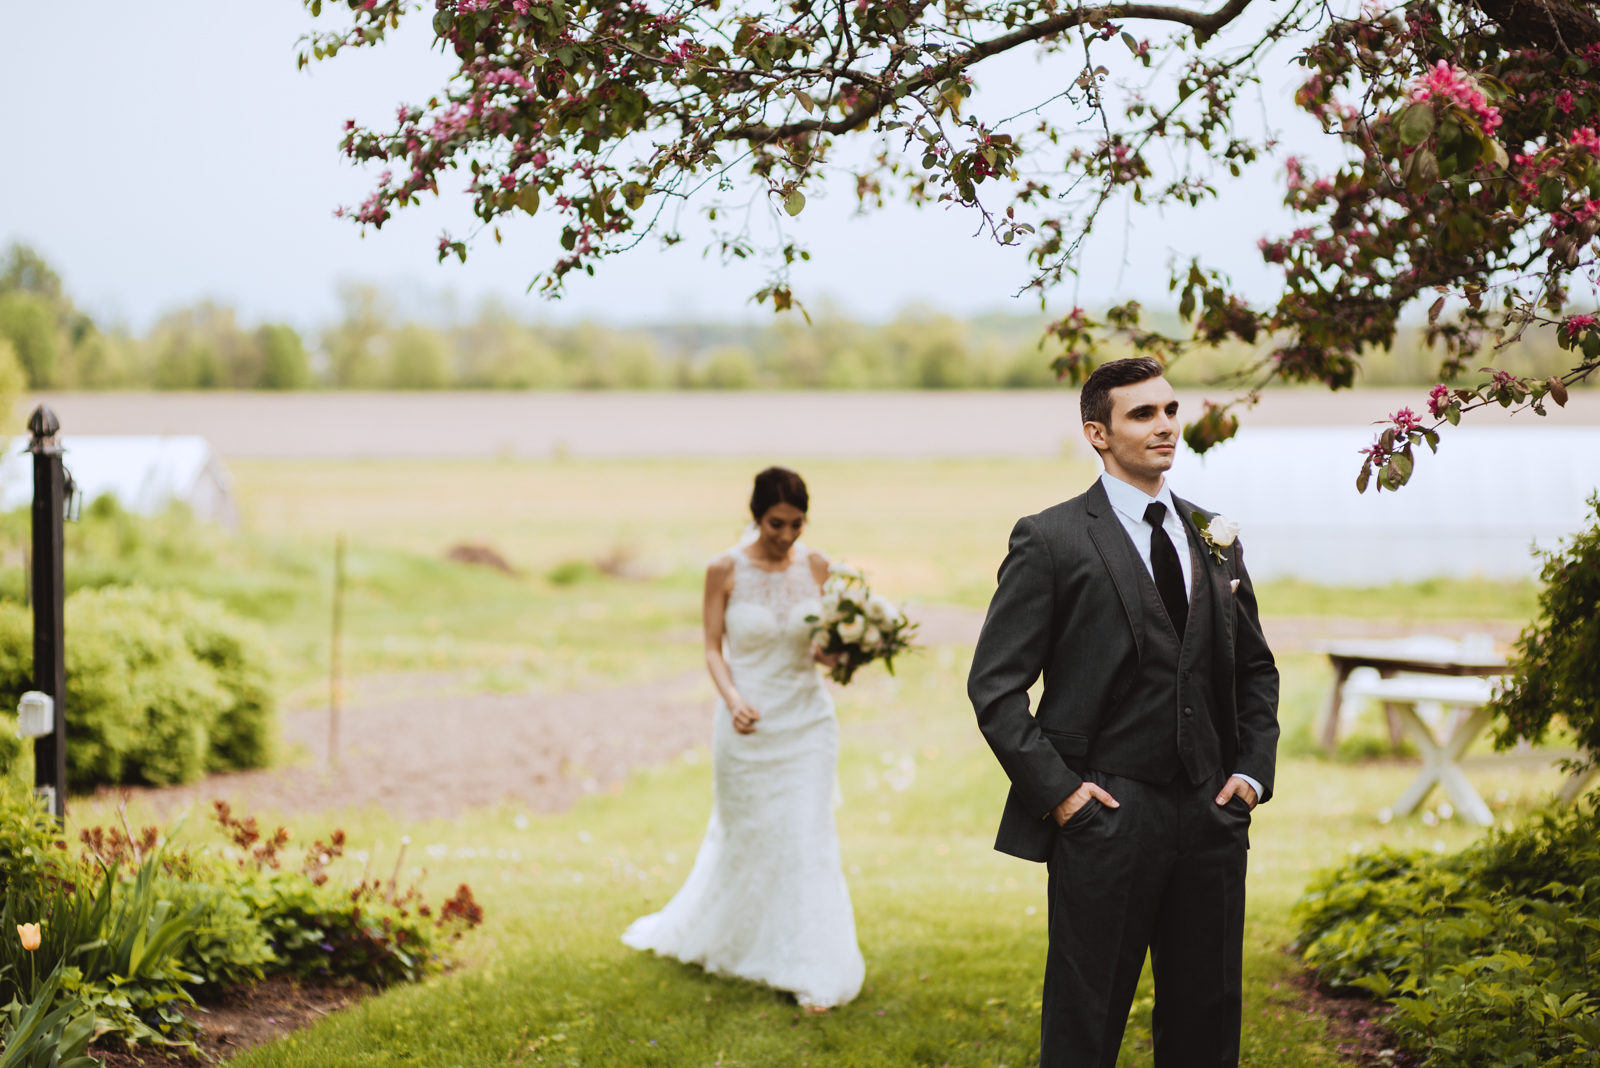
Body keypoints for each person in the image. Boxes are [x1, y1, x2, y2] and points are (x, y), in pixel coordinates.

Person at [968, 357, 1280, 1067]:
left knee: (1208, 1019)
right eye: (1143, 414)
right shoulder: (1050, 539)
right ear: (1097, 434)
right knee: (1086, 1021)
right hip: (1106, 816)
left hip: (1212, 815)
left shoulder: (1213, 531)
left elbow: (1257, 670)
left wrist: (1251, 776)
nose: (1166, 425)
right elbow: (994, 687)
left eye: (1170, 410)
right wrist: (1064, 798)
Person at [622, 466, 865, 1011]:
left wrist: (852, 648)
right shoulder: (723, 569)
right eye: (776, 523)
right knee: (751, 838)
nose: (786, 535)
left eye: (797, 524)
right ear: (755, 516)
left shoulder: (819, 566)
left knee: (806, 837)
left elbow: (822, 649)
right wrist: (733, 699)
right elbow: (712, 647)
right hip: (748, 724)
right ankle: (742, 940)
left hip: (808, 725)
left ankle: (810, 967)